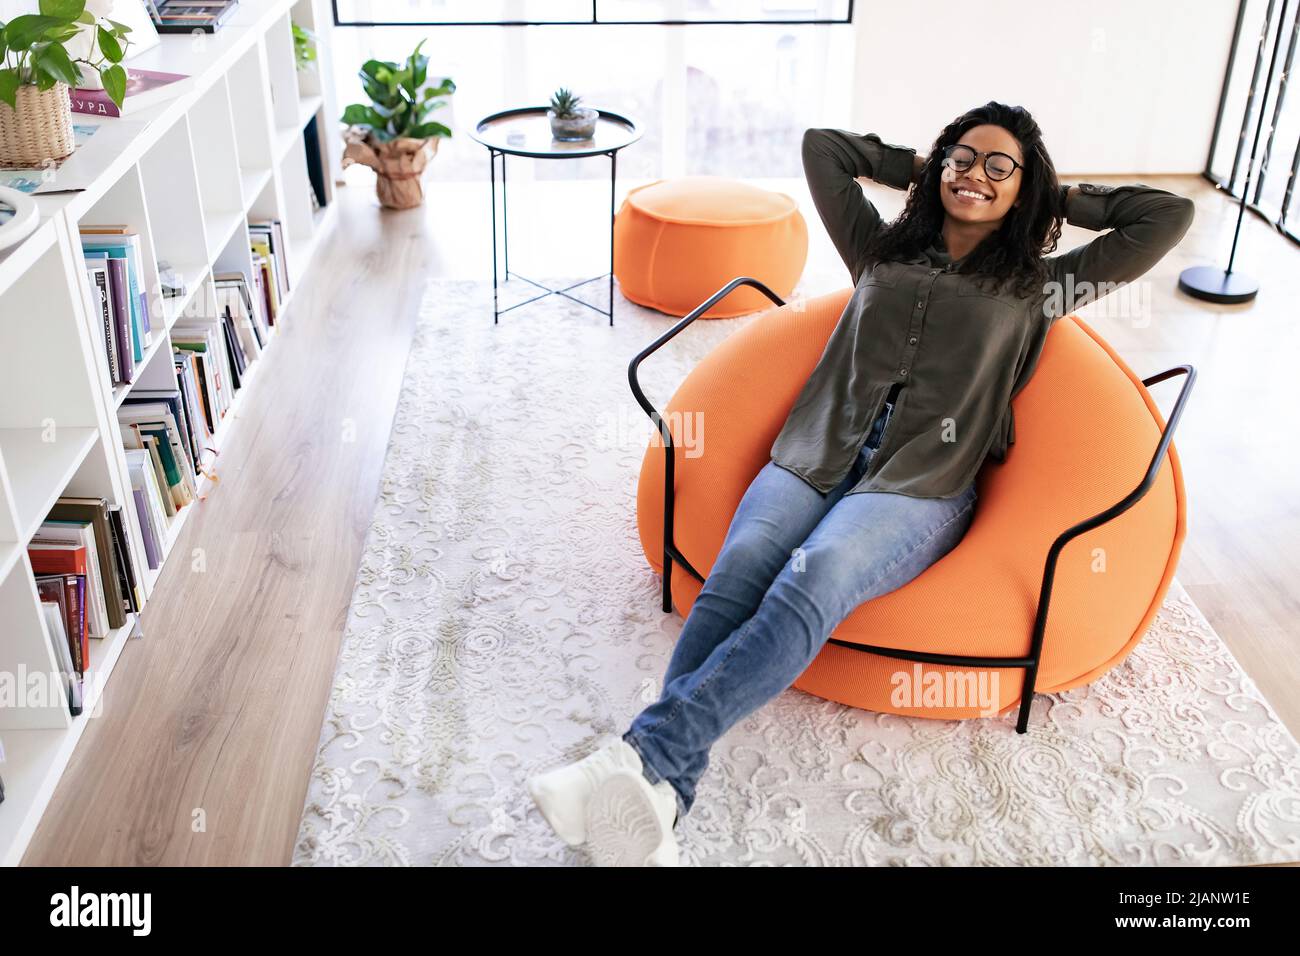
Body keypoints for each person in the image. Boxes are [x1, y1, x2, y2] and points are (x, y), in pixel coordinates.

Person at [528, 101, 1195, 866]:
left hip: (918, 484)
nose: (975, 174)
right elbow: (825, 149)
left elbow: (1164, 217)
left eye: (999, 166)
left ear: (1024, 190)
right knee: (738, 571)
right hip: (815, 452)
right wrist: (925, 162)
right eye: (963, 158)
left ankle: (637, 758)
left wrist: (1054, 192)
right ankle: (665, 794)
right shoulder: (878, 251)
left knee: (814, 583)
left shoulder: (1041, 288)